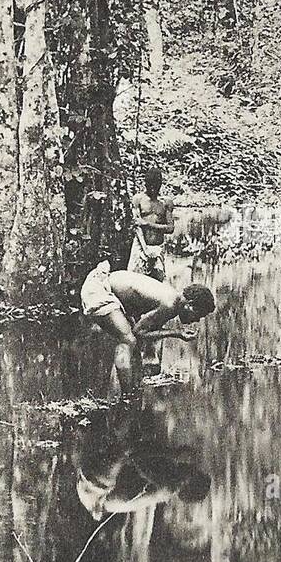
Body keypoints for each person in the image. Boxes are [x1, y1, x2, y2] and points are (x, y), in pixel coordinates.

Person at [80, 262, 216, 396]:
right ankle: (127, 395)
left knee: (134, 343)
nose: (196, 320)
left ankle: (135, 386)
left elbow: (145, 331)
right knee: (128, 340)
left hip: (108, 288)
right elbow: (139, 332)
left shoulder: (174, 300)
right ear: (190, 305)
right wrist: (177, 333)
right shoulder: (170, 304)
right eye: (198, 315)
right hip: (100, 290)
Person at [128, 167, 174, 280]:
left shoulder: (166, 202)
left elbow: (170, 228)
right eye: (150, 185)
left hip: (158, 247)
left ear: (160, 185)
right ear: (145, 184)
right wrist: (145, 249)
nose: (153, 189)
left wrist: (148, 224)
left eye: (156, 186)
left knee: (158, 282)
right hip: (140, 247)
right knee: (136, 281)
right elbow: (137, 226)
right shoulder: (138, 199)